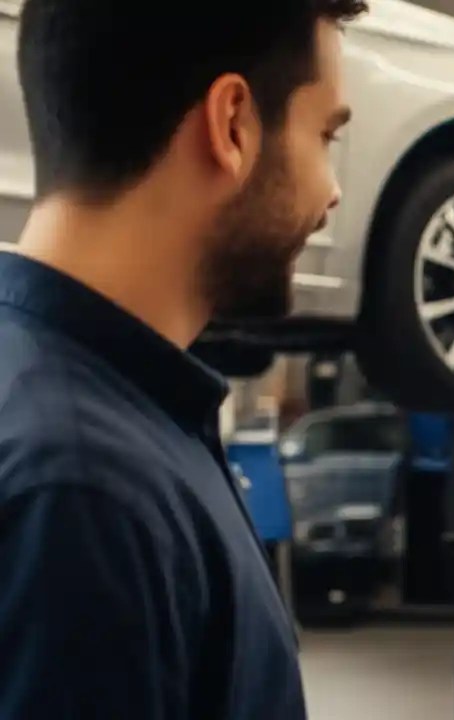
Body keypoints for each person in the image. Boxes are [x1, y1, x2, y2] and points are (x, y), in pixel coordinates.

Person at [0, 1, 366, 717]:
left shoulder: (101, 417)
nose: (332, 191)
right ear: (231, 123)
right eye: (325, 135)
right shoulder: (85, 494)